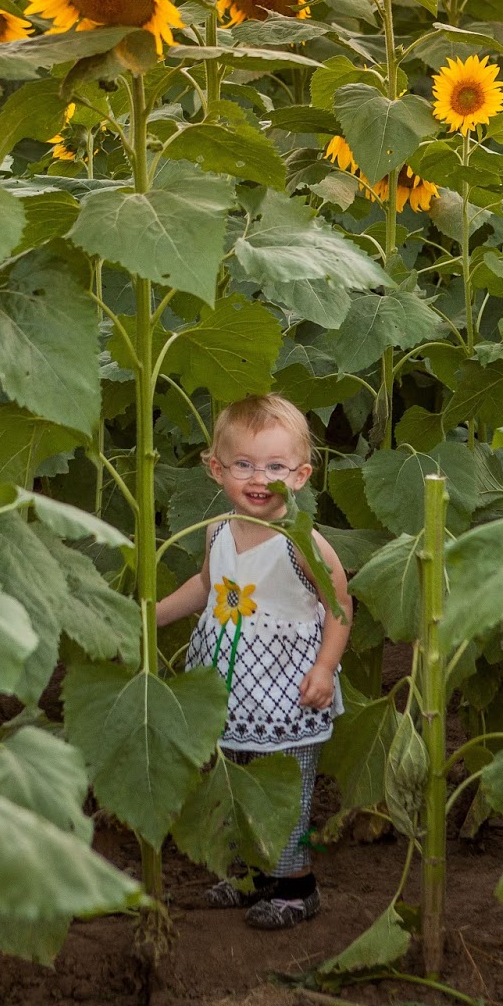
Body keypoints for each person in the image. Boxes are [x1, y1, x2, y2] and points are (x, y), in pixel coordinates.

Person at [156, 394, 352, 930]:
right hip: (232, 688)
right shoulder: (219, 530)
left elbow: (340, 605)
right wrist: (154, 614)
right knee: (236, 784)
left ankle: (295, 885)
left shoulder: (300, 542)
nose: (258, 477)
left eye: (274, 466)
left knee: (284, 789)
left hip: (287, 693)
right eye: (243, 464)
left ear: (302, 474)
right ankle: (248, 874)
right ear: (216, 469)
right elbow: (206, 586)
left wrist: (326, 668)